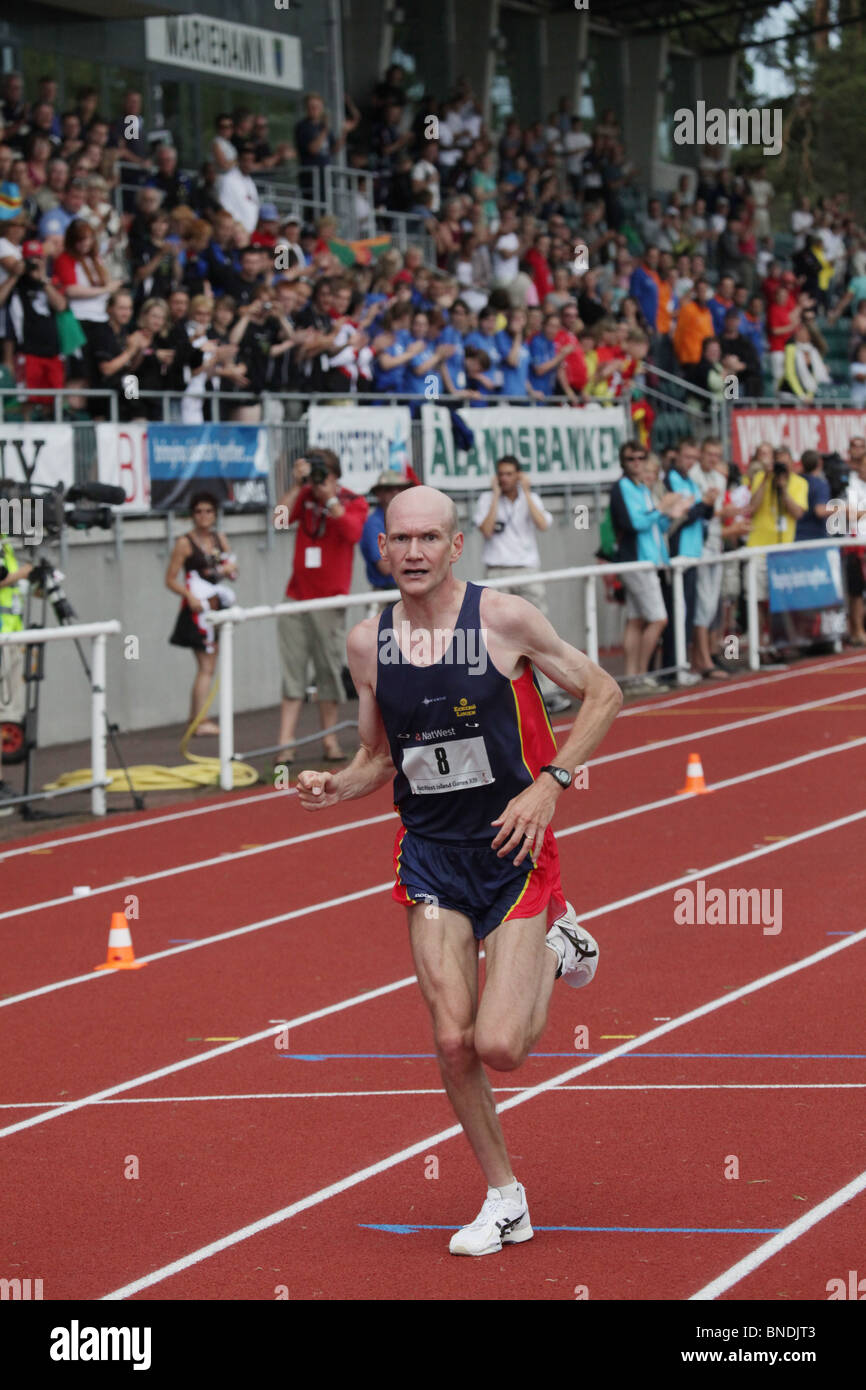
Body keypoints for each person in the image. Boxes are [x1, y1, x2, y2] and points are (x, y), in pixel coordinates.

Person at [295, 483, 621, 1255]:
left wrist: (551, 782)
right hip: (431, 857)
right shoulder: (366, 642)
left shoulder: (503, 619)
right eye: (399, 540)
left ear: (453, 547)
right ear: (382, 548)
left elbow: (604, 693)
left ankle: (559, 943)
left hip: (513, 853)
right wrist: (335, 785)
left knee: (501, 1047)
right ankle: (505, 1196)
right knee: (451, 1042)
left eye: (427, 539)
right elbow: (379, 757)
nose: (412, 552)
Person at [273, 449, 368, 763]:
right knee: (293, 670)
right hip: (297, 596)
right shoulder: (304, 495)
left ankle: (330, 740)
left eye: (321, 474)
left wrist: (330, 500)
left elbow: (353, 533)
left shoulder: (354, 500)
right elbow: (279, 520)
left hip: (329, 600)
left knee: (327, 670)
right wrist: (296, 485)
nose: (317, 480)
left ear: (335, 475)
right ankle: (285, 742)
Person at [473, 454, 570, 714]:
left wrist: (526, 493)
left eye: (509, 474)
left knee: (539, 630)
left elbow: (542, 524)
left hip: (527, 570)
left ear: (518, 475)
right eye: (501, 474)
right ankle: (501, 695)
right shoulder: (486, 499)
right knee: (496, 634)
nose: (505, 479)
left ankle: (547, 692)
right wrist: (495, 495)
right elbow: (486, 529)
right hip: (498, 571)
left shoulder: (531, 498)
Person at [609, 440, 688, 690]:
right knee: (658, 619)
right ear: (624, 462)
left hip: (648, 561)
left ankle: (633, 676)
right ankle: (641, 675)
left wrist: (669, 513)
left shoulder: (641, 488)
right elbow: (634, 523)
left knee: (636, 619)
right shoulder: (622, 487)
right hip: (637, 561)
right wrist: (661, 508)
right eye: (631, 459)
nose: (637, 463)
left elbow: (654, 525)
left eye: (640, 458)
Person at [165, 491, 239, 736]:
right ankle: (200, 720)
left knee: (210, 665)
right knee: (206, 666)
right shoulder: (185, 543)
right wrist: (190, 596)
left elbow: (231, 573)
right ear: (192, 515)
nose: (204, 516)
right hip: (198, 613)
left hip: (217, 608)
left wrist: (230, 569)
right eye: (198, 511)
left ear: (215, 514)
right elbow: (170, 579)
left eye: (208, 511)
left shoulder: (220, 538)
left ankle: (195, 718)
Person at [360, 470, 414, 594]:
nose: (396, 493)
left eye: (400, 489)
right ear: (379, 494)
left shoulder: (410, 518)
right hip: (385, 594)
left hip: (407, 591)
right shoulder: (373, 524)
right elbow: (385, 567)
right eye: (389, 489)